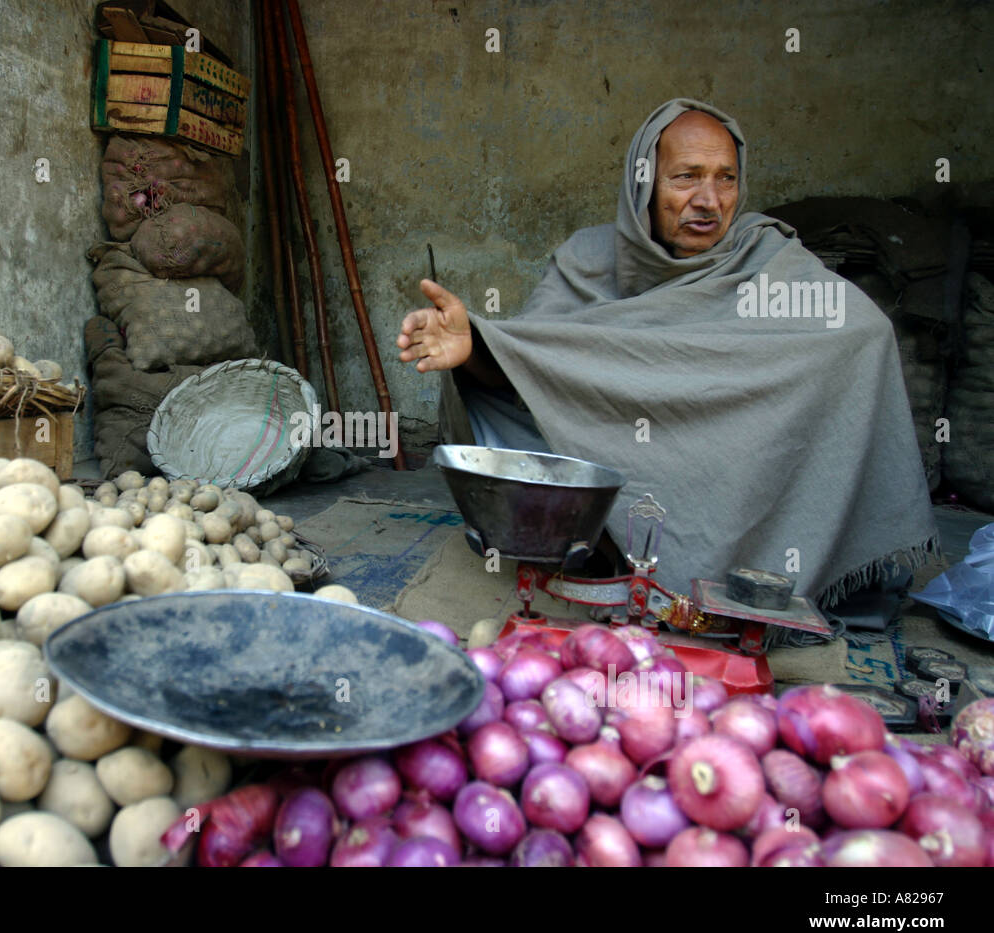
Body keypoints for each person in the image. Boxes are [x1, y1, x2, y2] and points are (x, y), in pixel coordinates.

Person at [396, 98, 938, 607]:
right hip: (612, 463)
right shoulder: (587, 261)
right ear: (645, 184)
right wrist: (481, 349)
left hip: (734, 478)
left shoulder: (767, 258)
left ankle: (743, 571)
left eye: (726, 178)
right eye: (686, 178)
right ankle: (605, 556)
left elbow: (861, 331)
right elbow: (535, 378)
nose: (709, 201)